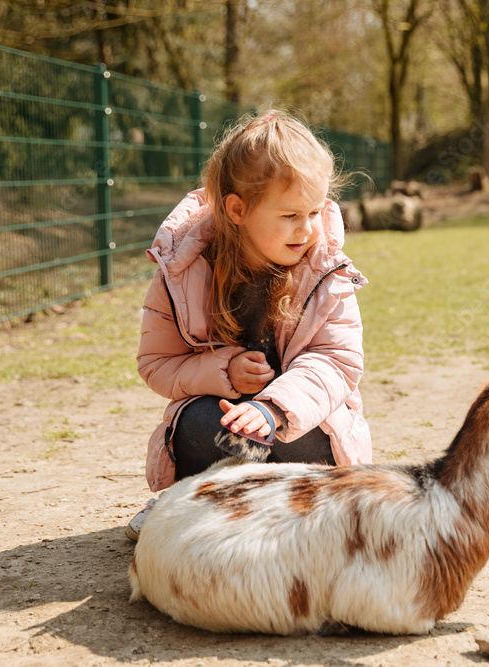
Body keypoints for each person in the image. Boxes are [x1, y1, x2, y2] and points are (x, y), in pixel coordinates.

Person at [125, 111, 372, 541]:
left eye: (316, 212)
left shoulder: (328, 272)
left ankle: (295, 513)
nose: (308, 229)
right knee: (198, 425)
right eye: (291, 215)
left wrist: (272, 409)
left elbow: (337, 361)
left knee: (306, 434)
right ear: (237, 209)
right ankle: (191, 500)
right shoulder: (182, 271)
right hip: (224, 426)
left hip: (297, 424)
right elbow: (157, 362)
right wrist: (222, 371)